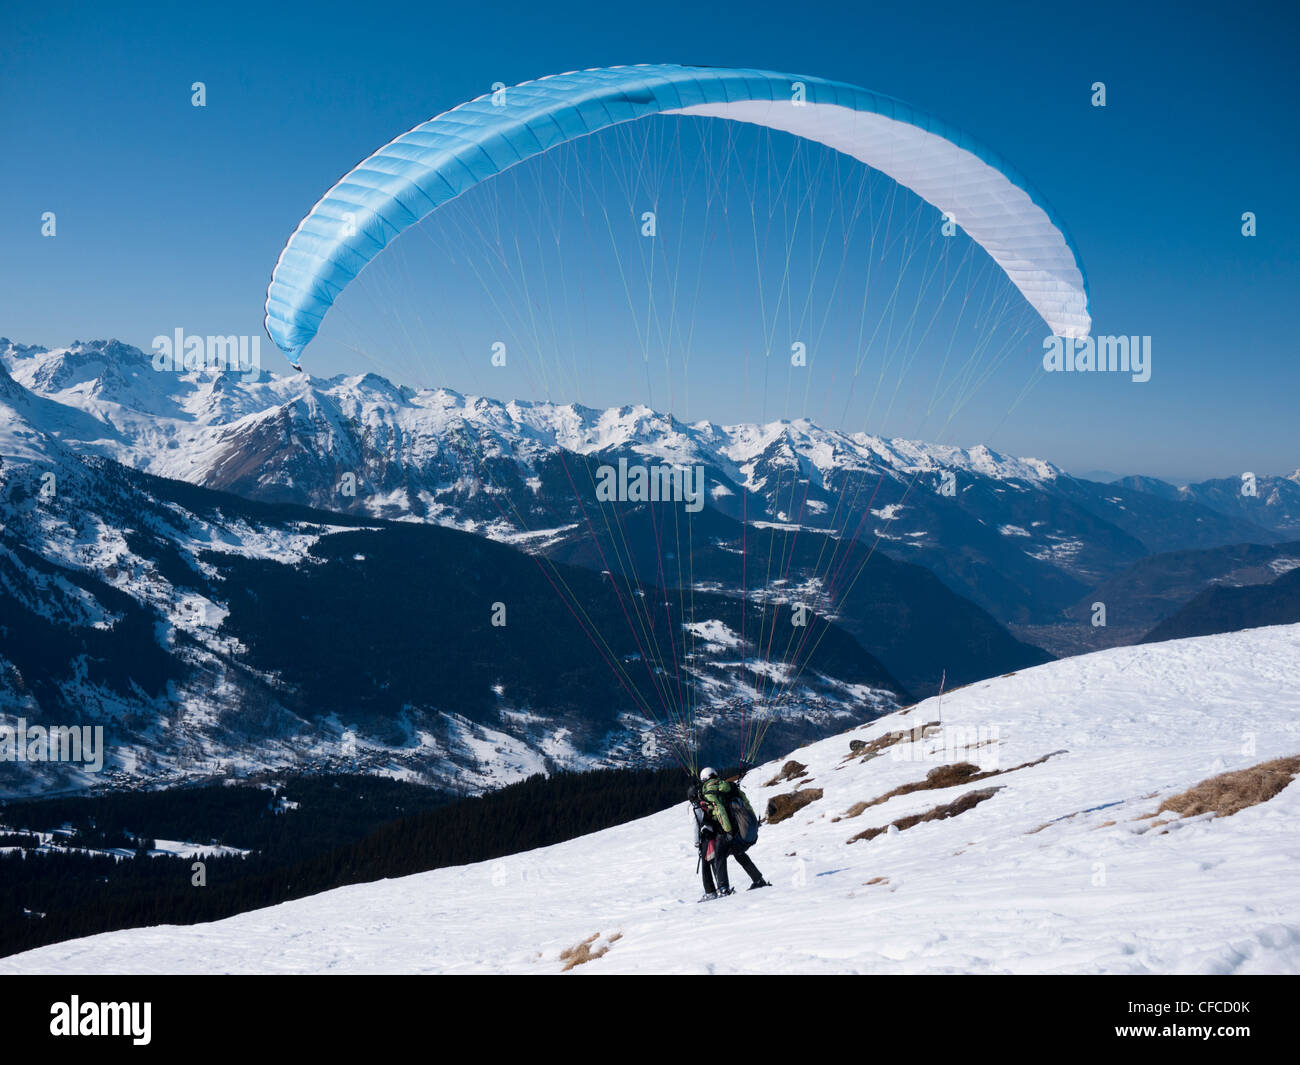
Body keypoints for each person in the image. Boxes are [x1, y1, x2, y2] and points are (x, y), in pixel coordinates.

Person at [699, 767, 771, 893]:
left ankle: (723, 888)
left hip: (728, 830)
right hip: (743, 828)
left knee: (719, 856)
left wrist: (727, 831)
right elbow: (746, 804)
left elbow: (719, 810)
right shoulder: (730, 787)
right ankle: (758, 879)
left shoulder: (709, 791)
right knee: (739, 853)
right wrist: (753, 823)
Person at [687, 784, 721, 900]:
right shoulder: (706, 804)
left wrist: (696, 842)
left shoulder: (695, 809)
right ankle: (721, 886)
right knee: (714, 862)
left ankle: (710, 891)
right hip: (715, 835)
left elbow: (696, 825)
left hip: (705, 839)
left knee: (706, 866)